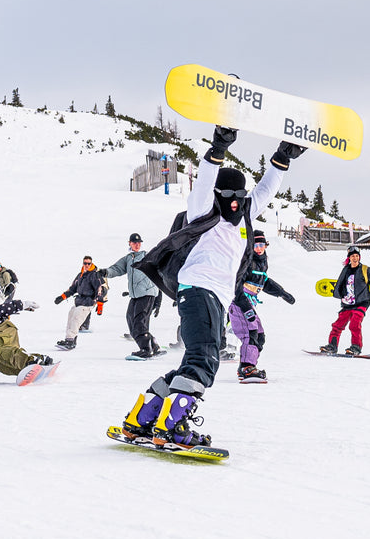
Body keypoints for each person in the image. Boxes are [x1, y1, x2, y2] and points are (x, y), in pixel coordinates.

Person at [122, 126, 303, 448]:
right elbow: (206, 179)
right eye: (228, 196)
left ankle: (142, 420)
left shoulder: (246, 215)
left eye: (239, 197)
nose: (234, 203)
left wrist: (282, 158)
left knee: (194, 359)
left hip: (213, 297)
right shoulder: (203, 211)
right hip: (198, 289)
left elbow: (265, 191)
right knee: (204, 359)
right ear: (219, 196)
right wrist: (220, 145)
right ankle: (172, 427)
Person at [230, 231, 295, 382]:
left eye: (262, 245)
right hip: (240, 302)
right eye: (255, 245)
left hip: (249, 303)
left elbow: (264, 282)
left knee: (259, 336)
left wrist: (282, 293)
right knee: (250, 332)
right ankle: (247, 367)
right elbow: (236, 285)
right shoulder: (246, 261)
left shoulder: (262, 262)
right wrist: (245, 308)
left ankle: (248, 365)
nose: (259, 248)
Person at [100, 234, 166, 359]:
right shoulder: (128, 258)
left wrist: (158, 300)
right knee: (131, 319)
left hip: (147, 293)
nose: (137, 244)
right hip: (135, 295)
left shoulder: (147, 257)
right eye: (134, 242)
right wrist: (106, 272)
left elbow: (158, 275)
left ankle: (146, 349)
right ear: (129, 243)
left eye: (139, 242)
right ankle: (154, 345)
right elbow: (117, 269)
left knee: (139, 322)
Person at [319, 247, 370, 355]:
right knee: (337, 325)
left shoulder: (365, 269)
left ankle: (356, 347)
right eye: (353, 256)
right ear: (349, 258)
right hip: (348, 303)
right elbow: (340, 284)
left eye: (357, 256)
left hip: (362, 302)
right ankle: (332, 346)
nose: (355, 258)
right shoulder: (346, 270)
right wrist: (340, 295)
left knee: (354, 324)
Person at [53, 256, 105, 351]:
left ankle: (70, 339)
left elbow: (99, 289)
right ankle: (70, 340)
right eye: (85, 263)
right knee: (71, 315)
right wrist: (62, 297)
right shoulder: (80, 275)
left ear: (91, 264)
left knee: (76, 318)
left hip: (88, 303)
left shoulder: (94, 275)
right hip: (79, 302)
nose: (87, 265)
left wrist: (100, 304)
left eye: (89, 263)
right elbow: (73, 288)